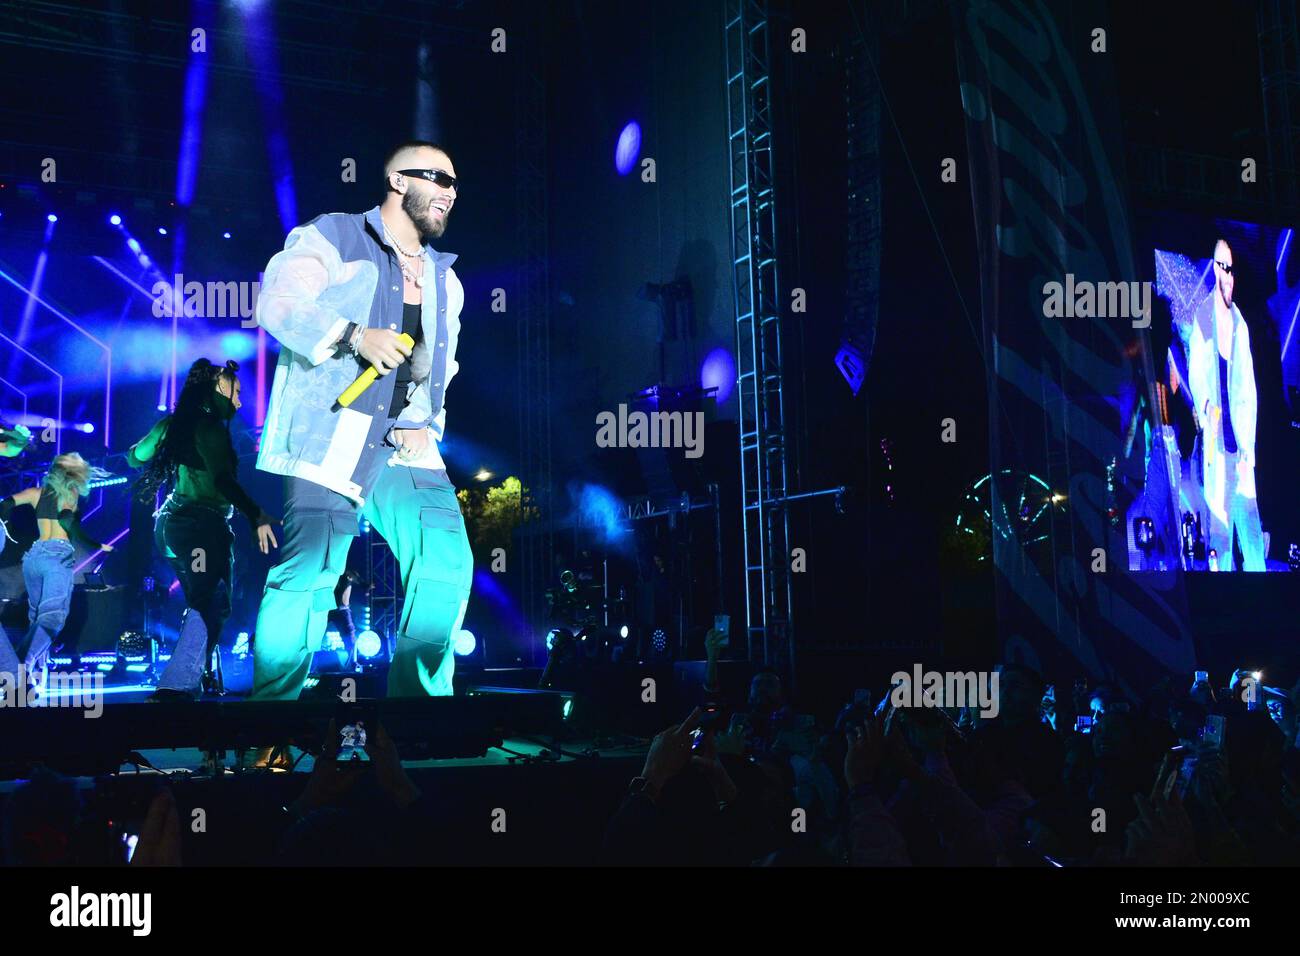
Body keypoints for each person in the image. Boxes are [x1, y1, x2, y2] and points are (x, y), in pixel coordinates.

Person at [250, 140, 471, 699]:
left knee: (447, 560)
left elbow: (440, 364)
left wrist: (428, 419)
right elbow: (276, 302)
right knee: (309, 577)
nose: (450, 191)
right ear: (398, 180)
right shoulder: (335, 235)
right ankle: (270, 721)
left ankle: (420, 711)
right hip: (335, 433)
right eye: (437, 179)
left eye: (454, 183)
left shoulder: (447, 281)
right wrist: (354, 336)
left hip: (404, 443)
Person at [128, 358, 278, 700]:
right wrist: (257, 514)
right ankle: (177, 685)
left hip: (170, 527)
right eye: (236, 392)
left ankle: (194, 674)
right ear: (217, 387)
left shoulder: (173, 425)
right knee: (209, 598)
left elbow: (135, 457)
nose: (239, 402)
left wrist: (156, 437)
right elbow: (223, 480)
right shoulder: (210, 430)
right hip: (199, 528)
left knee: (206, 597)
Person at [0, 453, 113, 693]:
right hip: (57, 556)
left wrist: (6, 528)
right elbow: (67, 521)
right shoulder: (69, 495)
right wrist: (96, 545)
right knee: (52, 618)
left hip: (32, 557)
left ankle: (30, 678)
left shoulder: (35, 493)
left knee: (36, 619)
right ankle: (19, 672)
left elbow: (5, 505)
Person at [1186, 238, 1265, 570]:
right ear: (1213, 269)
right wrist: (1206, 410)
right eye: (1221, 266)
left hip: (1240, 451)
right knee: (1220, 536)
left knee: (1252, 535)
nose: (1227, 275)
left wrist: (1248, 447)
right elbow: (1196, 375)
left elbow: (1249, 390)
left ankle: (1264, 606)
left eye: (1231, 268)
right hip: (1218, 451)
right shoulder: (1204, 317)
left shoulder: (1241, 324)